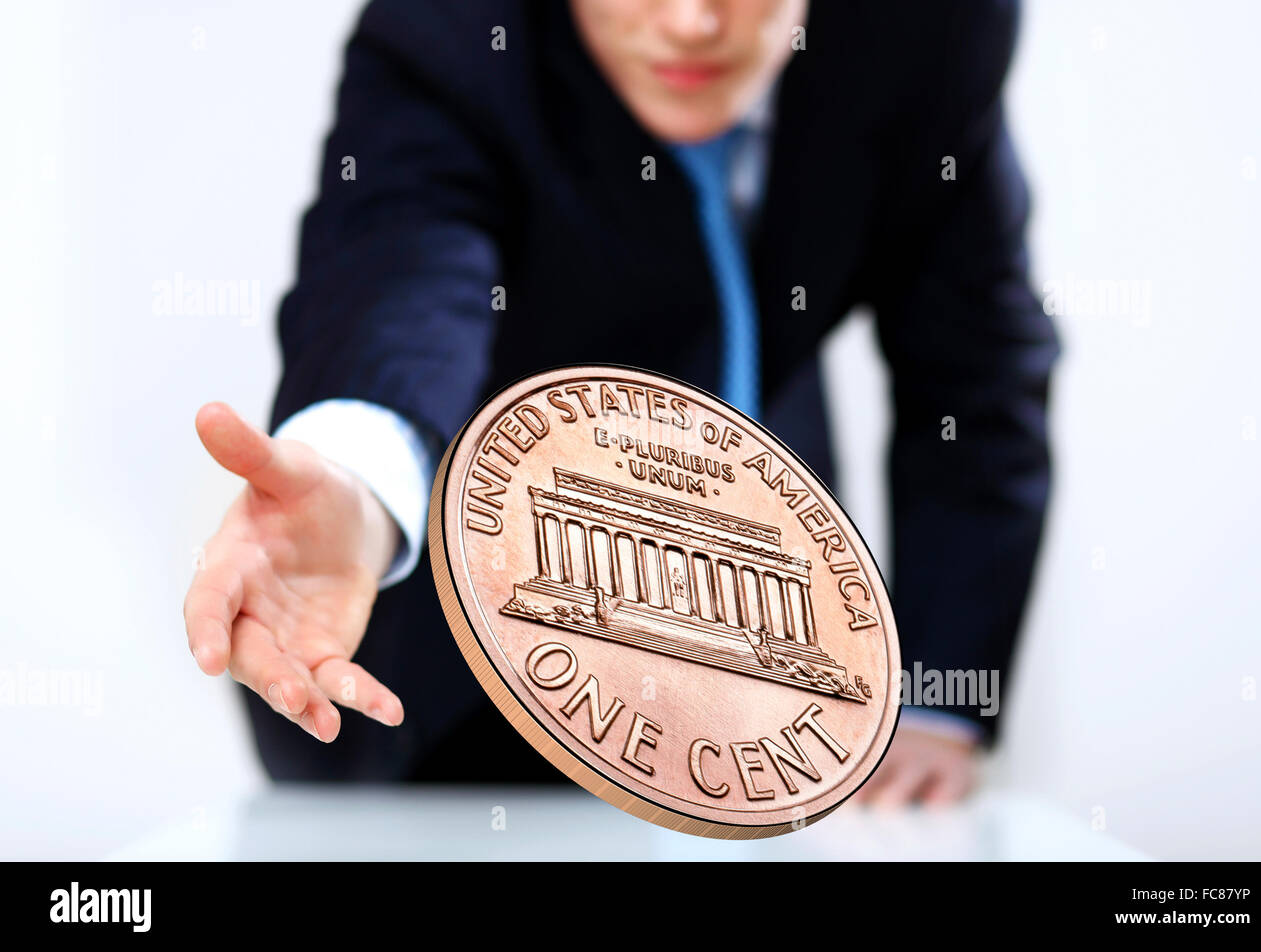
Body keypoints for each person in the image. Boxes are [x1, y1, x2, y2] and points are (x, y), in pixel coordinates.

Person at [183, 0, 1058, 806]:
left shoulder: (931, 29)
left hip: (776, 703)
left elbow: (975, 379)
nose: (689, 22)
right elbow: (398, 273)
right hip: (446, 706)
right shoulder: (447, 31)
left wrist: (939, 703)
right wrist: (361, 486)